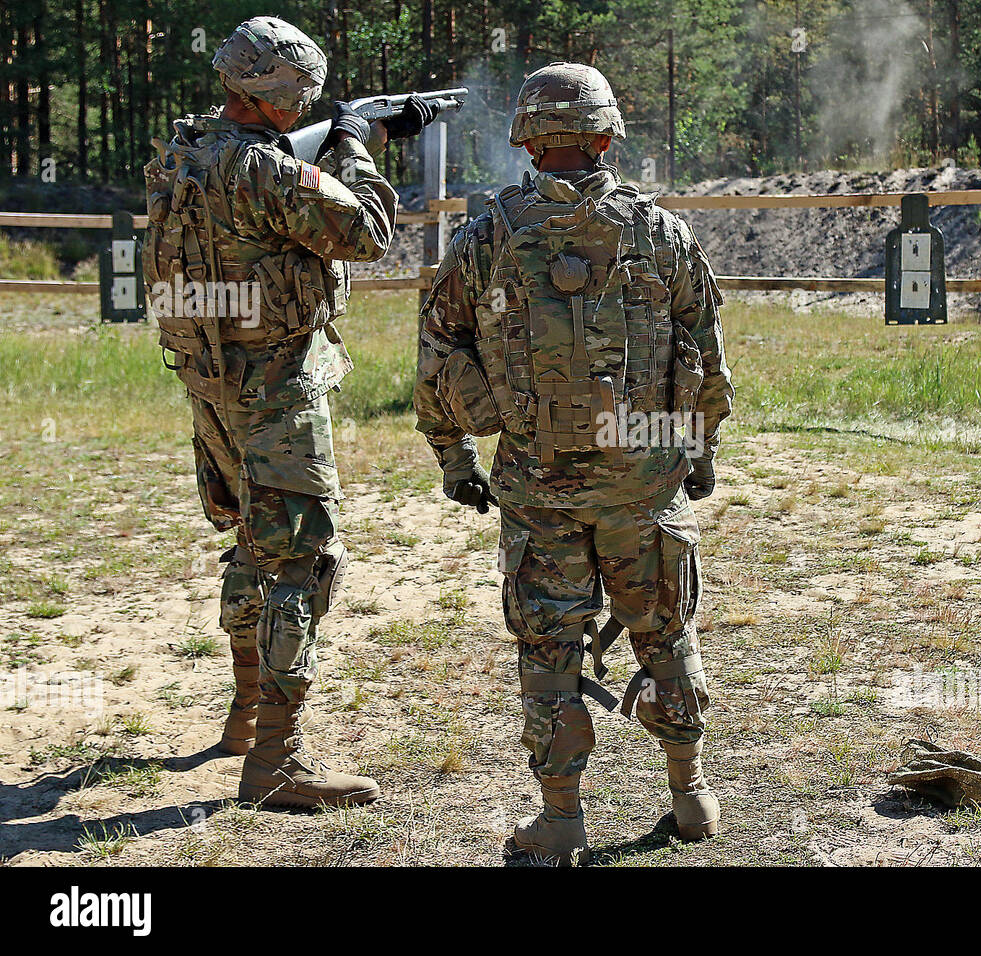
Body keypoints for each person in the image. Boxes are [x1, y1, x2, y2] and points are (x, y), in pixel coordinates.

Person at [414, 62, 734, 863]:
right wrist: (699, 457)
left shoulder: (485, 236)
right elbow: (709, 358)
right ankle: (691, 796)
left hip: (537, 488)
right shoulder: (661, 233)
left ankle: (561, 821)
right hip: (644, 485)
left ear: (527, 139)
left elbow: (436, 352)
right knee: (665, 630)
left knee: (548, 648)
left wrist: (455, 456)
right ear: (604, 137)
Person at [143, 16, 435, 808]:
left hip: (212, 378)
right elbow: (368, 232)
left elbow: (249, 192)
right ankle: (277, 761)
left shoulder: (183, 153)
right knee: (299, 561)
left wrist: (324, 137)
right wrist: (355, 145)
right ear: (275, 95)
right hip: (276, 387)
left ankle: (246, 715)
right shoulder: (265, 171)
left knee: (251, 541)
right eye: (300, 94)